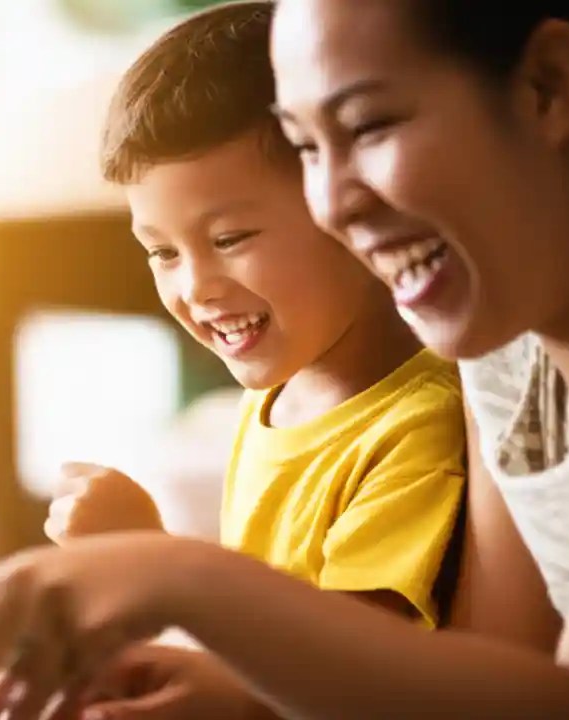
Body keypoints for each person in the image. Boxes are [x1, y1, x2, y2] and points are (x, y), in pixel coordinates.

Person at [0, 1, 569, 718]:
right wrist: (218, 668)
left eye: (370, 125)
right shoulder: (504, 365)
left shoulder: (435, 399)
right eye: (307, 146)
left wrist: (176, 577)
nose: (332, 205)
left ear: (547, 87)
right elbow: (490, 685)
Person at [37, 3, 464, 715]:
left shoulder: (415, 427)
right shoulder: (277, 401)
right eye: (163, 253)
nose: (195, 286)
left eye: (231, 237)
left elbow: (351, 679)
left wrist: (156, 563)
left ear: (341, 202)